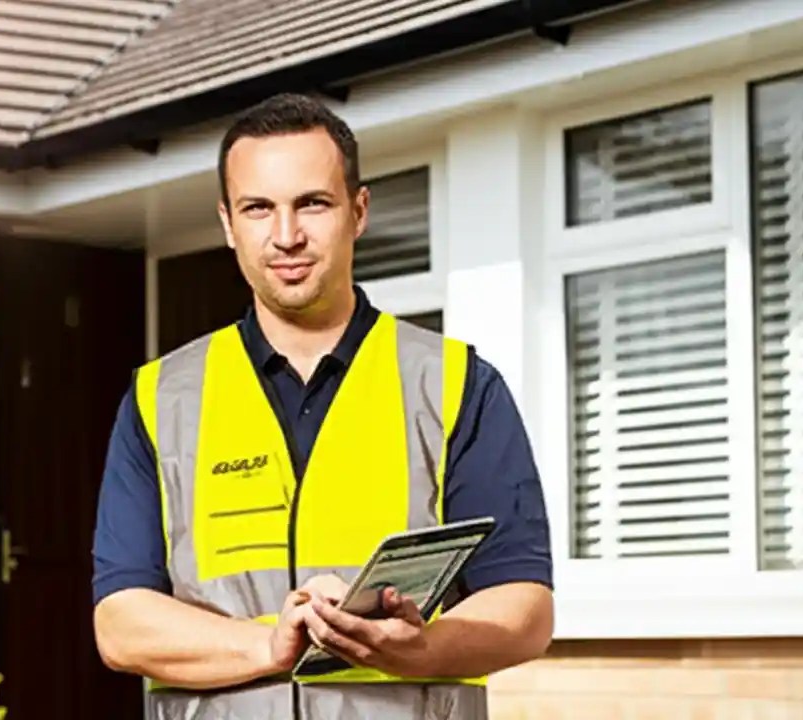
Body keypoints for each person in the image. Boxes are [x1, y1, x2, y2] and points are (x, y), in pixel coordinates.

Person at [90, 92, 554, 719]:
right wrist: (269, 645)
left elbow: (524, 608)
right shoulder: (159, 399)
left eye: (312, 202)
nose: (286, 235)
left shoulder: (457, 385)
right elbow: (121, 624)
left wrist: (416, 649)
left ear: (358, 211)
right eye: (259, 208)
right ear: (229, 224)